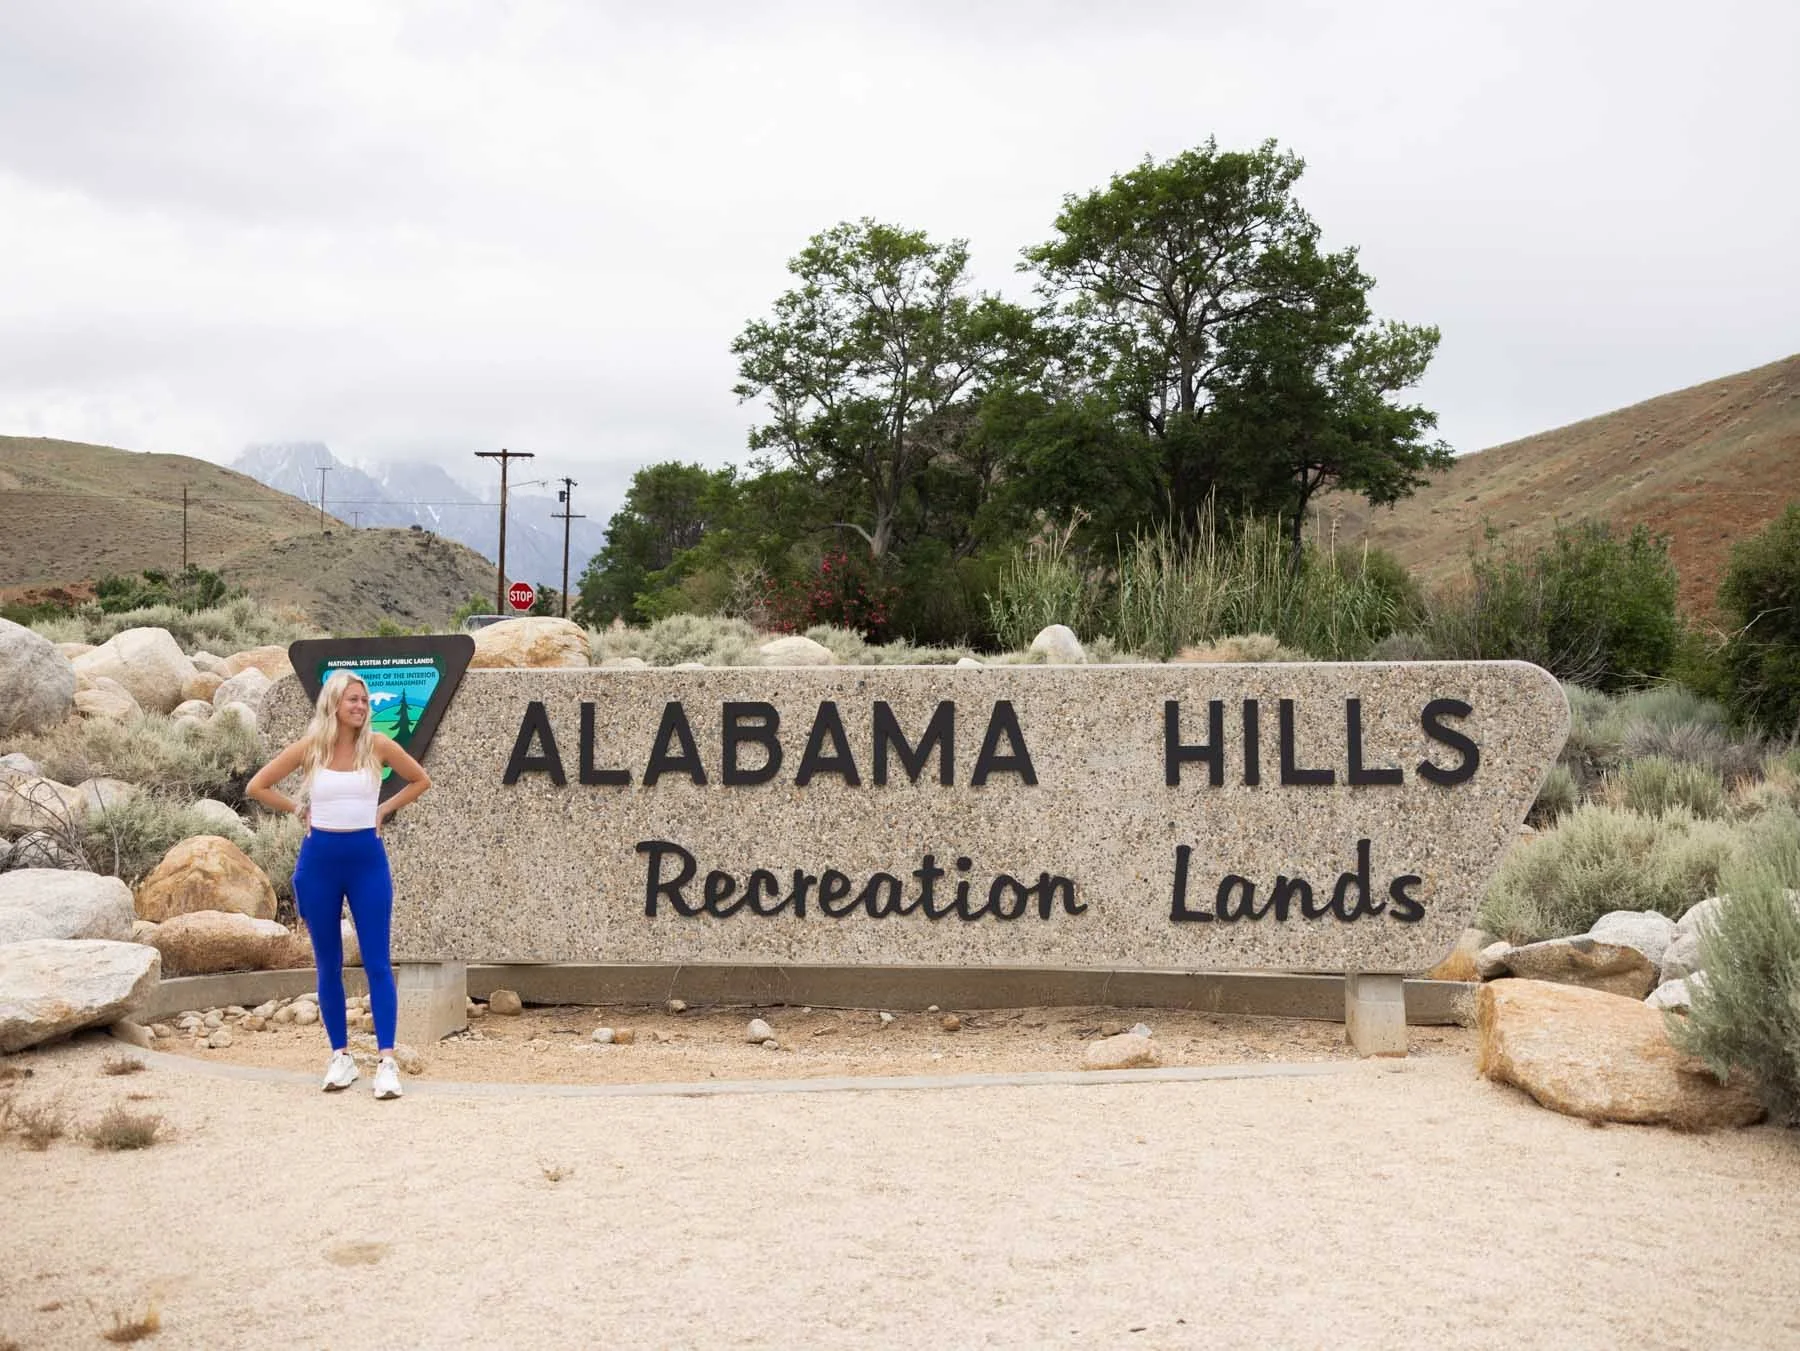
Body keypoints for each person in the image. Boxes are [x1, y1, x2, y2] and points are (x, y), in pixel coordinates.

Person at [247, 670, 431, 1100]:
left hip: (368, 863)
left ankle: (386, 1062)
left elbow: (420, 779)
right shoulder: (312, 747)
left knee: (378, 963)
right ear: (333, 703)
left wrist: (383, 810)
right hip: (319, 865)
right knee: (327, 964)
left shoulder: (378, 745)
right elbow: (258, 786)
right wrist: (297, 808)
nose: (361, 707)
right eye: (353, 700)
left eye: (364, 701)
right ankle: (340, 1056)